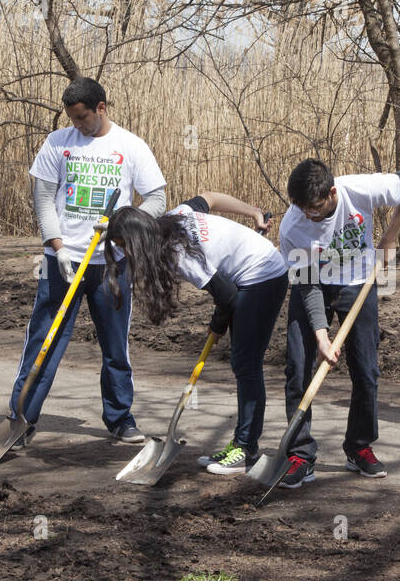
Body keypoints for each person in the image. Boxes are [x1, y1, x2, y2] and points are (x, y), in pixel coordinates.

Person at [6, 76, 165, 447]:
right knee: (43, 341)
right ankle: (21, 418)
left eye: (82, 118)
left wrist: (122, 223)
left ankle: (121, 419)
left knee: (115, 346)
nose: (76, 125)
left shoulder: (131, 147)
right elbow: (43, 199)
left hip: (112, 263)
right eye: (72, 119)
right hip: (60, 261)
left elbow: (156, 199)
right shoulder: (57, 143)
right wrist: (57, 246)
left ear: (101, 108)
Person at [102, 193, 288, 474]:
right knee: (242, 363)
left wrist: (218, 322)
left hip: (262, 276)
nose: (126, 255)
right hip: (248, 273)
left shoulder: (178, 254)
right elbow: (210, 198)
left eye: (125, 247)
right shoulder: (174, 216)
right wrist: (254, 212)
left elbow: (229, 297)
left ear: (138, 241)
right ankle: (242, 442)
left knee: (246, 364)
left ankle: (246, 448)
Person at [275, 158, 400, 488]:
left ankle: (359, 446)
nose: (308, 215)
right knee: (298, 368)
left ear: (331, 193)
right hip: (312, 282)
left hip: (358, 281)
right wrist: (322, 336)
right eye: (301, 208)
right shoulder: (292, 227)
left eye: (314, 207)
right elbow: (307, 283)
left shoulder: (362, 190)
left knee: (366, 370)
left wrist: (391, 237)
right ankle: (300, 454)